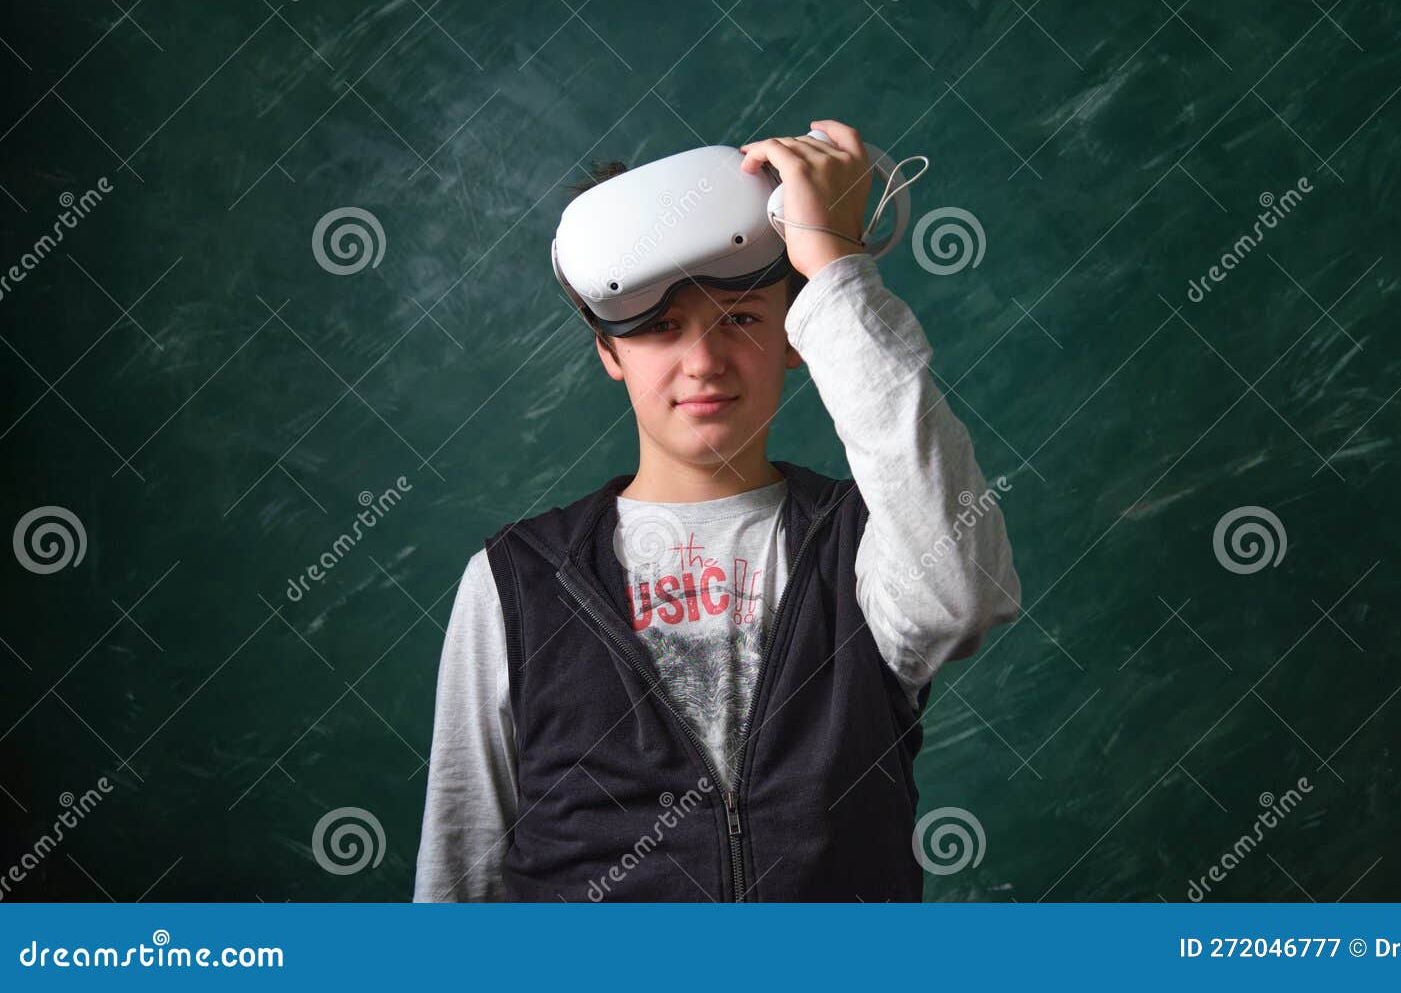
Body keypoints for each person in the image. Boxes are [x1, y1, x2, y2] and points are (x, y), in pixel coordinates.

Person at [414, 120, 1020, 901]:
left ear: (797, 334)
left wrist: (833, 266)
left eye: (740, 319)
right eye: (662, 328)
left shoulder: (868, 546)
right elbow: (460, 881)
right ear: (607, 349)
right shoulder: (515, 583)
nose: (704, 362)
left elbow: (965, 596)